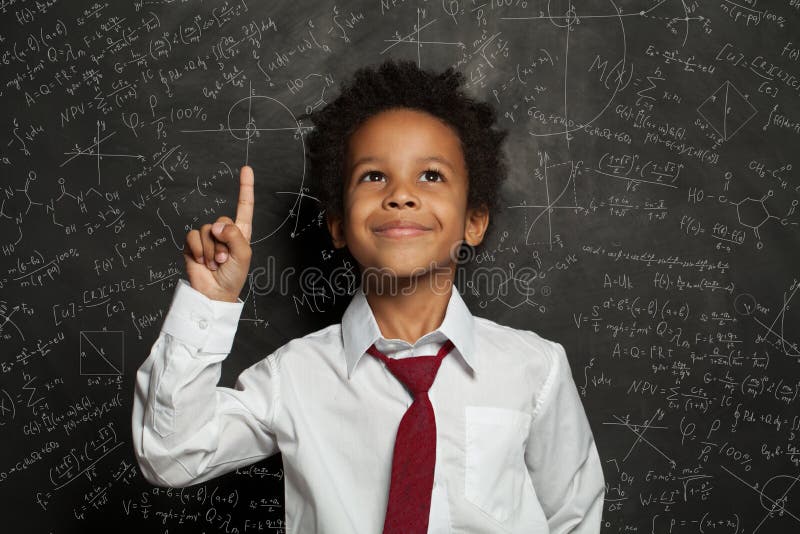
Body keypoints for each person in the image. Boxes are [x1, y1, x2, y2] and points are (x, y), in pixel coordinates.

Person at [132, 58, 605, 533]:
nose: (401, 194)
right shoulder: (294, 377)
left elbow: (573, 516)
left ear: (473, 222)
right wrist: (208, 303)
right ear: (338, 225)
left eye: (432, 176)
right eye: (374, 176)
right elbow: (171, 455)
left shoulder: (536, 371)